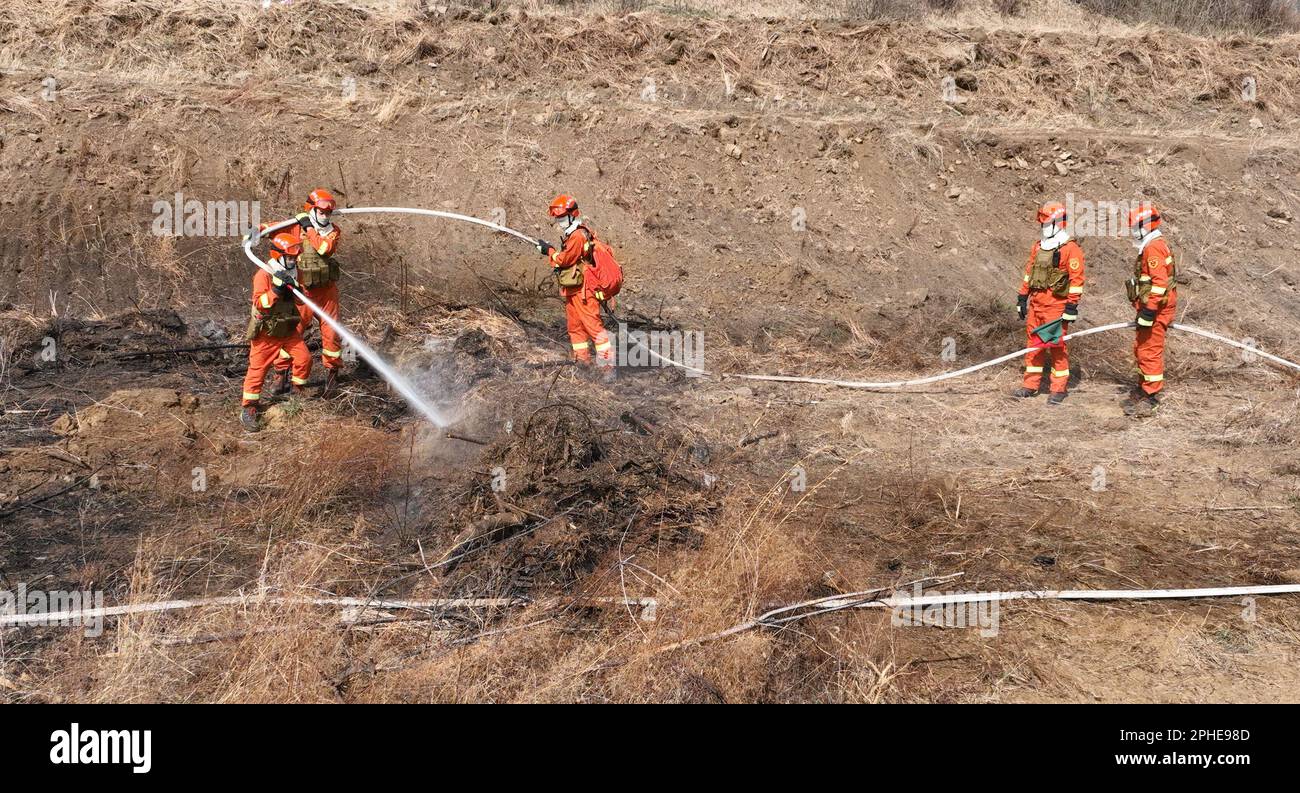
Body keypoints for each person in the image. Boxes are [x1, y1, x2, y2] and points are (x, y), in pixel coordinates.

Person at [268, 188, 344, 395]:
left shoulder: (333, 231)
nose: (325, 216)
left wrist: (309, 228)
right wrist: (256, 230)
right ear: (311, 209)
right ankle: (281, 375)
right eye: (321, 212)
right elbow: (272, 230)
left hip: (327, 293)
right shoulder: (295, 228)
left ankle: (332, 375)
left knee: (331, 335)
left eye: (328, 213)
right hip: (303, 293)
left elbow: (323, 249)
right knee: (291, 331)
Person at [536, 194, 616, 381]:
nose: (559, 221)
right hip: (574, 289)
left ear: (573, 215)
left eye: (562, 217)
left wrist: (548, 251)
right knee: (575, 327)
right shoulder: (574, 234)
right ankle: (583, 362)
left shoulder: (578, 236)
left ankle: (608, 368)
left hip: (584, 291)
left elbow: (565, 260)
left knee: (593, 328)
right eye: (558, 218)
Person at [1012, 202, 1085, 404]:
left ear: (1057, 223)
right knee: (1033, 346)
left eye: (1046, 222)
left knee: (1056, 347)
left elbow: (1077, 279)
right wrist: (1022, 297)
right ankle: (1030, 385)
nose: (1043, 227)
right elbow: (1029, 273)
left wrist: (1071, 306)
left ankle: (1058, 389)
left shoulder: (1071, 249)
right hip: (1036, 304)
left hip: (1056, 306)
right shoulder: (1038, 246)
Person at [240, 233, 311, 432]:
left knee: (304, 359)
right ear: (277, 254)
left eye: (295, 257)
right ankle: (249, 408)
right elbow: (259, 304)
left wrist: (296, 289)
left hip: (288, 329)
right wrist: (276, 291)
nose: (293, 260)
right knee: (257, 371)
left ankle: (297, 393)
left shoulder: (296, 271)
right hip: (267, 332)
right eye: (289, 257)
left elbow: (301, 300)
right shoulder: (264, 274)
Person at [1124, 203, 1177, 416]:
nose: (1133, 231)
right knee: (1141, 348)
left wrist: (1149, 311)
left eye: (1136, 226)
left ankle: (1151, 396)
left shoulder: (1153, 247)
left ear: (1146, 225)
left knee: (1150, 351)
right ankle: (1143, 387)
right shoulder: (1150, 244)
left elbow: (1159, 284)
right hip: (1151, 307)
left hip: (1157, 308)